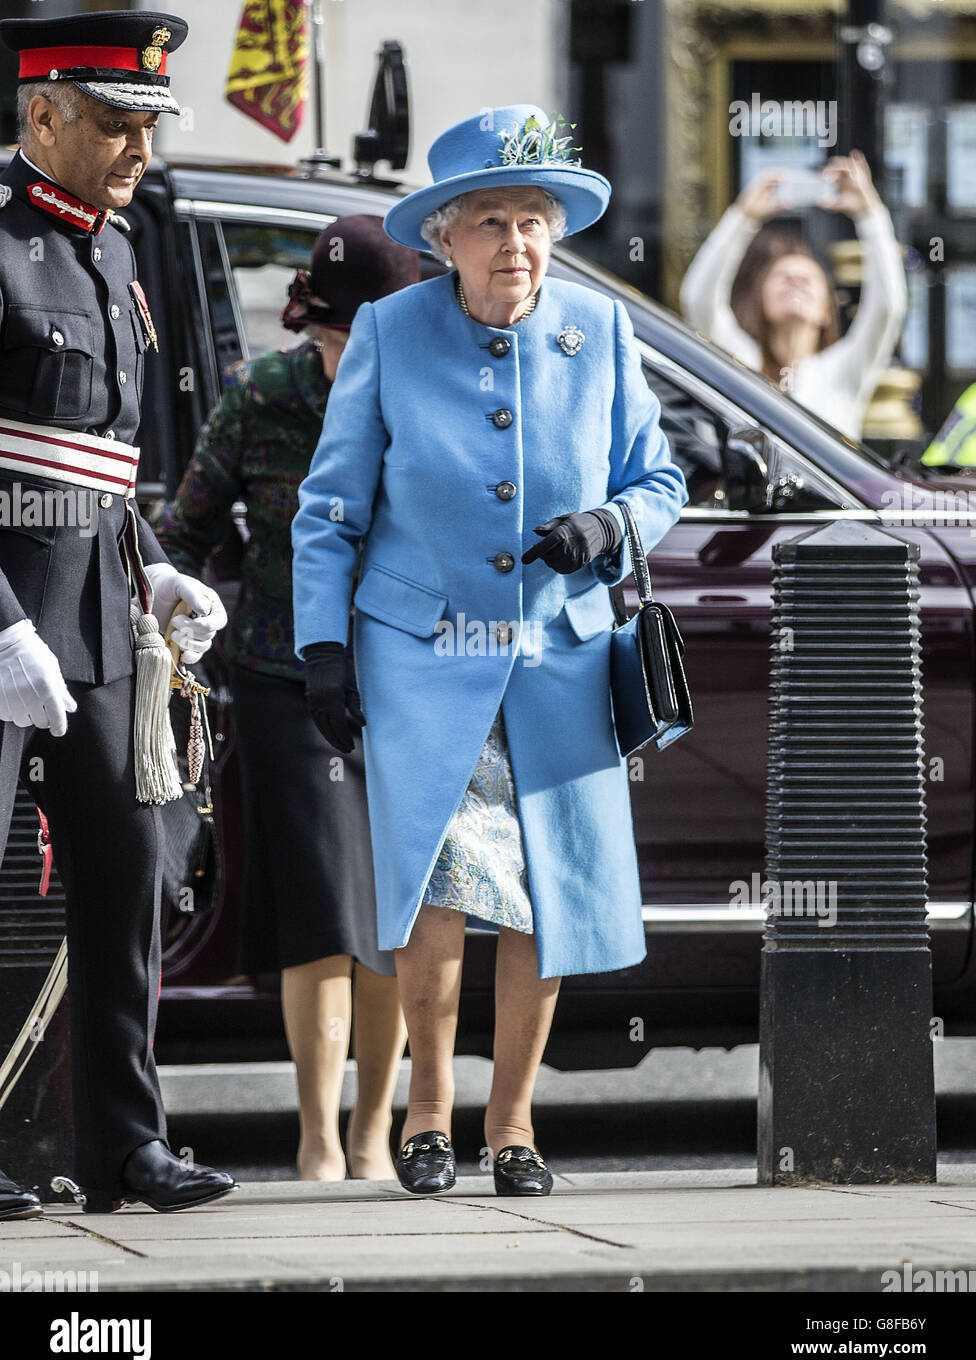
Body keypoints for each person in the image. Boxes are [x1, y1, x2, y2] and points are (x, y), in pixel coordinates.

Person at [291, 104, 688, 1197]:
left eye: (535, 221)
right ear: (448, 236)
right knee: (444, 878)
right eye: (496, 222)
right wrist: (323, 649)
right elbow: (328, 512)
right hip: (424, 653)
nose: (518, 244)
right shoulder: (388, 332)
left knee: (546, 890)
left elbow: (660, 480)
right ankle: (428, 1114)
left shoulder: (601, 332)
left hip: (559, 655)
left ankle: (512, 1125)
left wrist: (610, 529)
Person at [0, 11, 235, 1219]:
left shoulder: (115, 250)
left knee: (129, 870)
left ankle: (124, 1148)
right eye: (113, 118)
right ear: (42, 116)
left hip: (93, 623)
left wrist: (154, 567)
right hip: (5, 625)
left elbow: (92, 460)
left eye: (149, 119)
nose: (139, 141)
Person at [158, 217, 418, 1181]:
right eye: (333, 336)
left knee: (397, 906)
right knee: (322, 907)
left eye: (364, 337)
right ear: (309, 326)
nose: (345, 354)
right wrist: (174, 618)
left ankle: (376, 1136)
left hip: (407, 677)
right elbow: (179, 530)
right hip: (284, 678)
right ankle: (315, 1136)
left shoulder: (425, 397)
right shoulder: (259, 396)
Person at [679, 150, 906, 442]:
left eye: (808, 280)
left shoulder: (842, 372)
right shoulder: (736, 358)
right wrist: (742, 217)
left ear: (827, 310)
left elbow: (888, 308)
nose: (796, 284)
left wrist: (870, 214)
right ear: (760, 300)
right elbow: (697, 299)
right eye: (783, 279)